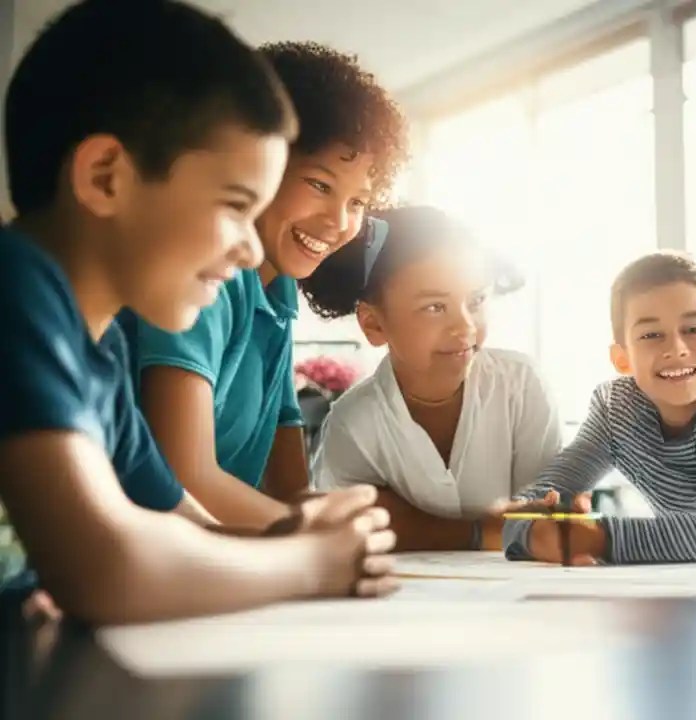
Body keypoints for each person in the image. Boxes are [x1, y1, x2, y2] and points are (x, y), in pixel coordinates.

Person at [0, 0, 395, 624]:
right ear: (106, 177)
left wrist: (303, 535)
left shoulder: (97, 353)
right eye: (236, 206)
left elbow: (188, 526)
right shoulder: (16, 289)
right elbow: (108, 567)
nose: (247, 247)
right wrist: (314, 562)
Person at [124, 41, 411, 528]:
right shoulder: (210, 279)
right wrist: (311, 540)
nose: (338, 221)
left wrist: (359, 524)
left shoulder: (277, 297)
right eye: (319, 185)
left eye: (358, 202)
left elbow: (290, 492)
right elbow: (183, 479)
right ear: (261, 164)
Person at [502, 251, 696, 564]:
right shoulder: (616, 409)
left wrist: (583, 537)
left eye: (693, 330)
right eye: (651, 335)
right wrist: (538, 533)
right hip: (693, 584)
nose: (677, 349)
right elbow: (530, 503)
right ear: (622, 358)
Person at [306, 206, 561, 551]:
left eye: (476, 300)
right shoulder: (352, 425)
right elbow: (351, 530)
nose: (465, 326)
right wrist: (486, 531)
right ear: (374, 324)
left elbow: (543, 519)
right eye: (434, 307)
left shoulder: (521, 385)